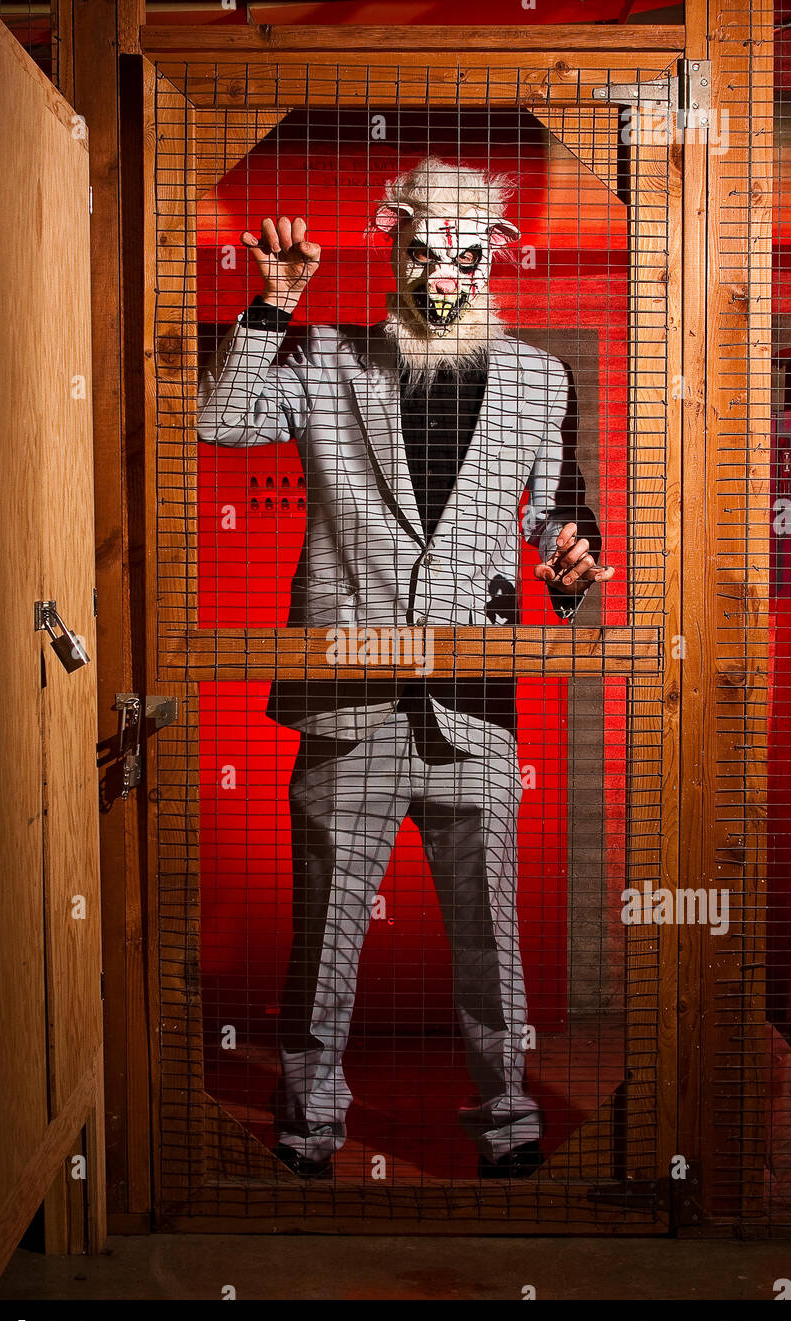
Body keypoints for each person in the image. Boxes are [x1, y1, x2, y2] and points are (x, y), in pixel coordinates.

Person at [198, 158, 614, 1179]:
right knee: (326, 932)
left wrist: (569, 564)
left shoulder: (535, 378)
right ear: (393, 245)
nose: (442, 275)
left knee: (490, 933)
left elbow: (554, 517)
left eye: (464, 257)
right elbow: (221, 421)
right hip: (351, 701)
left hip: (472, 706)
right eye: (424, 251)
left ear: (494, 262)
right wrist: (272, 304)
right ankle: (307, 1120)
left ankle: (509, 1117)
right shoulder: (329, 357)